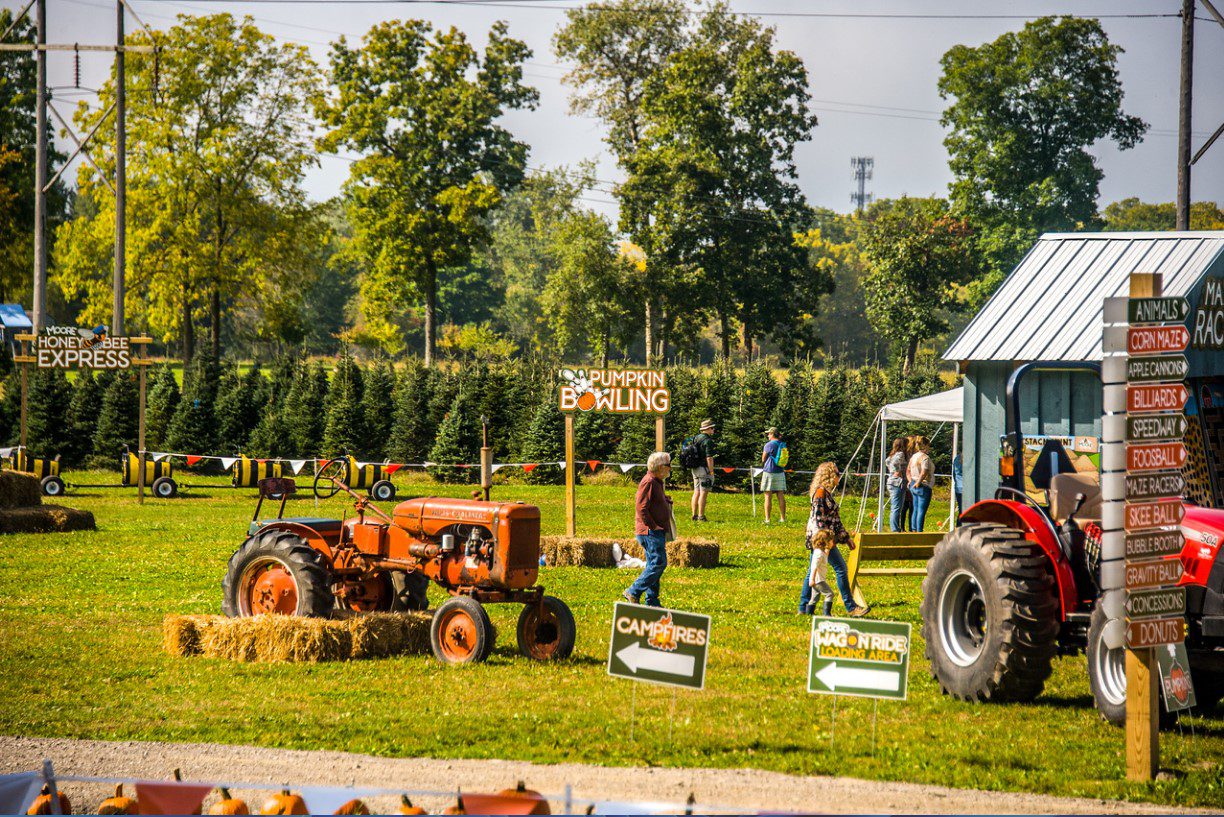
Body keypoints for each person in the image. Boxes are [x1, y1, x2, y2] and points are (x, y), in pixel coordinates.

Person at [799, 462, 870, 617]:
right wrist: (826, 542)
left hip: (826, 540)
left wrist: (846, 538)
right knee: (841, 568)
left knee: (812, 570)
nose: (840, 476)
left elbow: (835, 520)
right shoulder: (820, 494)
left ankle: (803, 609)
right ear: (829, 476)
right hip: (821, 540)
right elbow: (819, 520)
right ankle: (851, 607)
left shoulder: (826, 494)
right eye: (838, 474)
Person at [624, 451, 674, 607]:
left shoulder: (657, 482)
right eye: (668, 465)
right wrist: (653, 526)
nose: (670, 468)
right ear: (659, 467)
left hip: (655, 531)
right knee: (659, 563)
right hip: (650, 532)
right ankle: (633, 591)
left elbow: (652, 502)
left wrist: (665, 500)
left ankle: (652, 601)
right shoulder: (649, 482)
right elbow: (641, 508)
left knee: (654, 564)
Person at [689, 419, 716, 522]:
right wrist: (711, 471)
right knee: (703, 493)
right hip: (704, 469)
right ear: (707, 429)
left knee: (696, 492)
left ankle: (694, 515)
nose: (713, 430)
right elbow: (709, 458)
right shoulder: (708, 441)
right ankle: (701, 516)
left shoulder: (696, 438)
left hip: (694, 468)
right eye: (712, 428)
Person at [760, 427, 787, 524]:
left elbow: (763, 458)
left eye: (768, 434)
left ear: (772, 434)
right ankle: (783, 518)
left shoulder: (769, 445)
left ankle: (767, 519)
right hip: (780, 471)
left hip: (769, 472)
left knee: (768, 496)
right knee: (780, 495)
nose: (767, 435)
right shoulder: (782, 444)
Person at [908, 436, 935, 531]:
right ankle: (919, 530)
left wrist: (910, 481)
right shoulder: (925, 457)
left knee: (915, 508)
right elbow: (924, 471)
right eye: (929, 446)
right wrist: (918, 482)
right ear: (926, 445)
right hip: (923, 485)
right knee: (921, 510)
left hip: (913, 483)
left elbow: (908, 470)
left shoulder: (914, 456)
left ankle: (914, 529)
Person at [885, 437, 907, 533]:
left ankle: (895, 527)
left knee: (896, 506)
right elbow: (894, 463)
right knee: (897, 506)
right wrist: (897, 471)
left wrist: (891, 471)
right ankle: (895, 528)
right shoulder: (900, 454)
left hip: (891, 481)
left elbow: (887, 461)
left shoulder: (892, 454)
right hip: (897, 482)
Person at [953, 453, 963, 519]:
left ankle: (958, 526)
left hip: (958, 487)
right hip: (967, 487)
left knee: (961, 509)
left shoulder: (957, 458)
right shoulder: (970, 459)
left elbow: (954, 473)